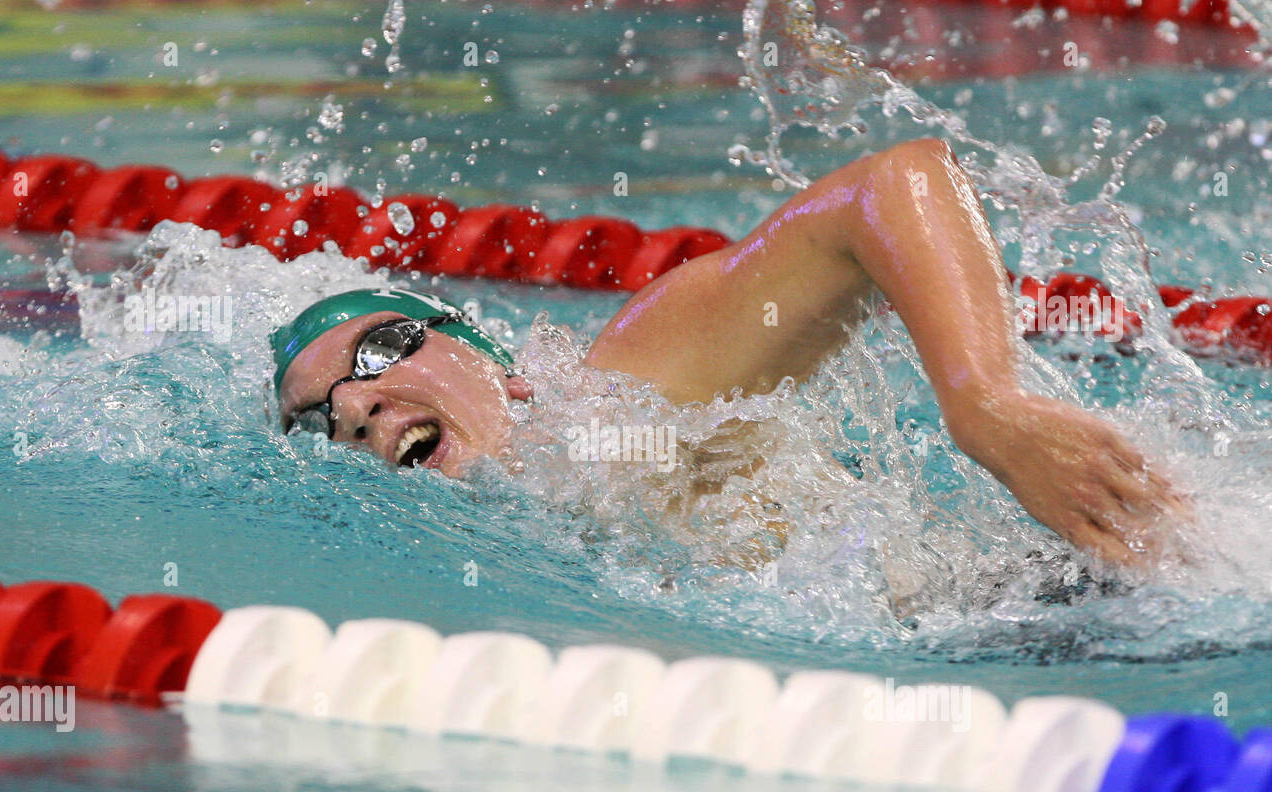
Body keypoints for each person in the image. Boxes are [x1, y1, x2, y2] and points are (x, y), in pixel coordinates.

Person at [272, 138, 1185, 569]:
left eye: (378, 351)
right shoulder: (490, 558)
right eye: (318, 420)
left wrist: (985, 403)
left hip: (1085, 589)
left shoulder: (629, 386)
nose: (351, 406)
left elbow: (891, 184)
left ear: (492, 361)